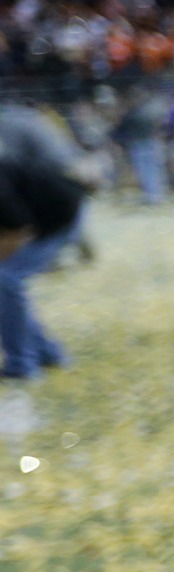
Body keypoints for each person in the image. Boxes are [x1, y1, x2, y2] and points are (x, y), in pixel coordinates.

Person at [0, 117, 90, 380]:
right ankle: (49, 353)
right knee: (5, 282)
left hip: (60, 216)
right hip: (43, 214)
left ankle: (22, 364)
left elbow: (20, 229)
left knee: (6, 280)